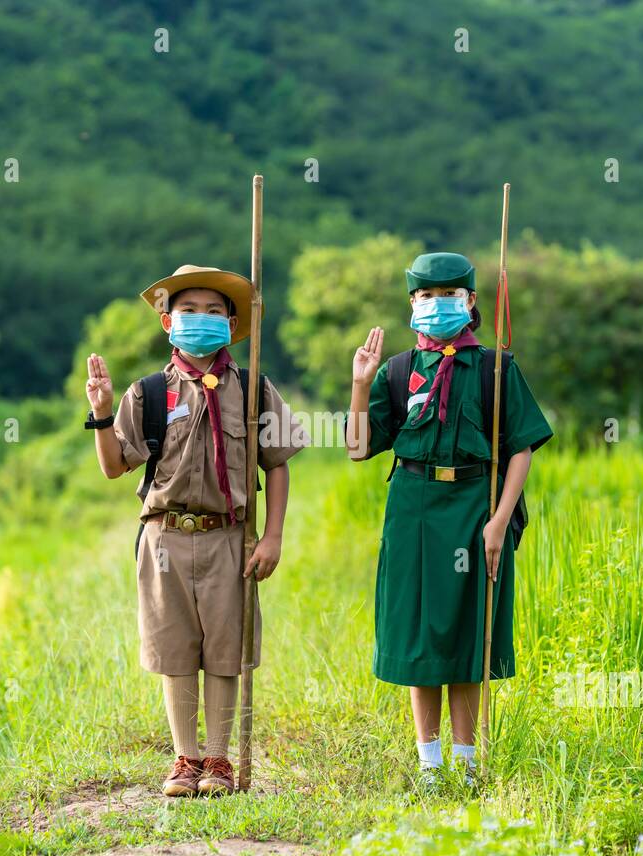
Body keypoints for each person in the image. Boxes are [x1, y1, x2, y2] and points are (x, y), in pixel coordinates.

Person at [87, 264, 308, 797]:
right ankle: (186, 759)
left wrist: (273, 535)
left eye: (214, 311)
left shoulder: (254, 389)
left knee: (225, 650)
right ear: (168, 322)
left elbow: (276, 463)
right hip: (165, 536)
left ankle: (219, 760)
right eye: (189, 310)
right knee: (175, 649)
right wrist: (98, 414)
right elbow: (115, 467)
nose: (201, 320)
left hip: (228, 535)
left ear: (232, 325)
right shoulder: (146, 394)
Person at [346, 252, 552, 787]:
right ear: (411, 304)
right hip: (412, 506)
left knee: (466, 629)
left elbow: (522, 447)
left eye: (447, 297)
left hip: (474, 505)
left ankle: (467, 763)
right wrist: (360, 386)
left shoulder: (494, 368)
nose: (435, 307)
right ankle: (430, 765)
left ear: (471, 302)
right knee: (417, 633)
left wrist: (499, 521)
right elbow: (357, 447)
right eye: (425, 298)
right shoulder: (396, 370)